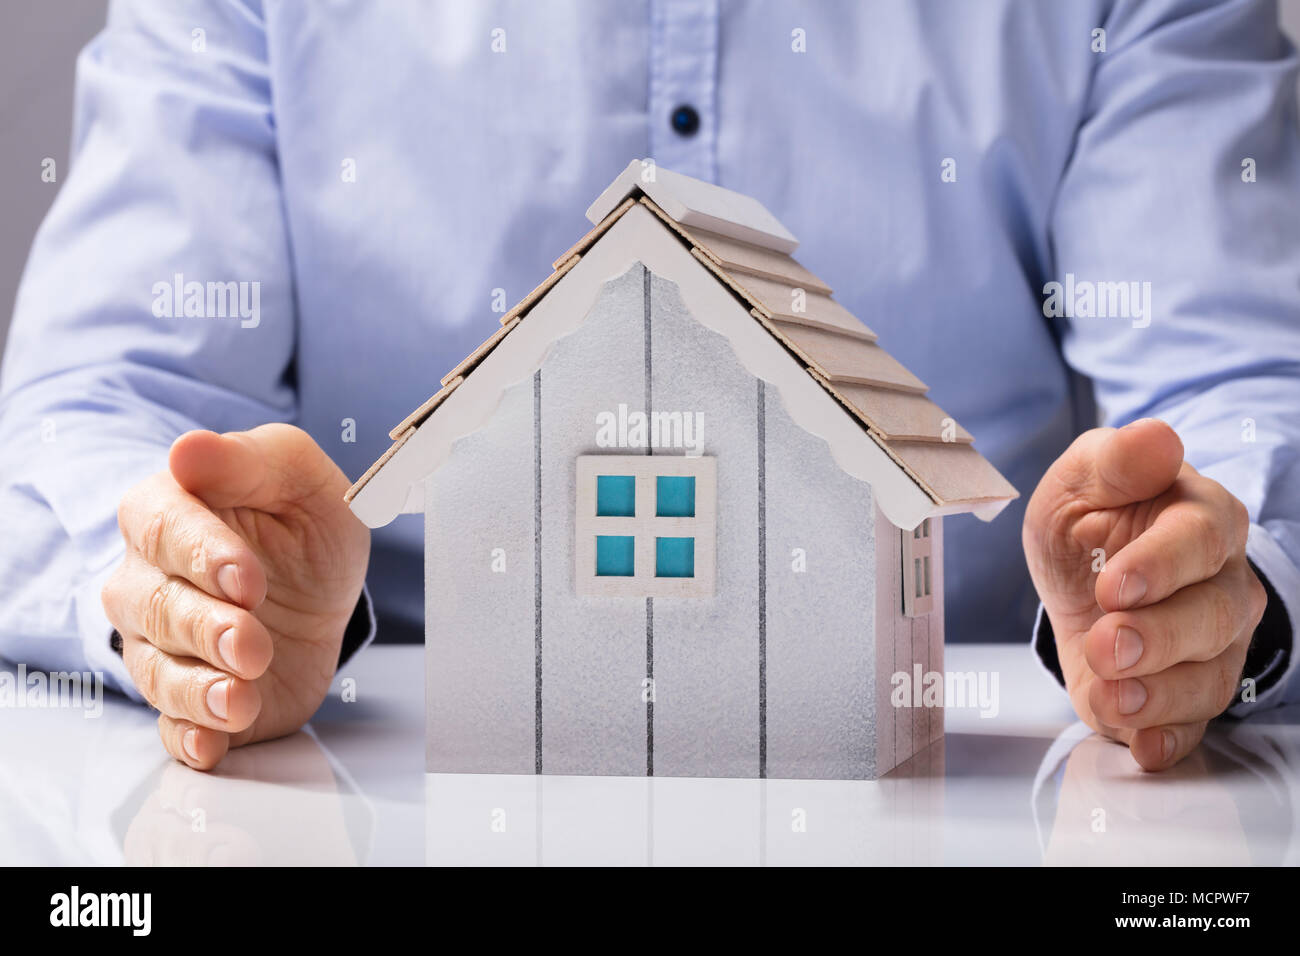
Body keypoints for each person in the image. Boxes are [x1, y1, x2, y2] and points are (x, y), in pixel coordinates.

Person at [1, 0, 1297, 773]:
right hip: (371, 755)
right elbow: (96, 401)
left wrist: (1197, 585)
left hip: (967, 776)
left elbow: (1248, 389)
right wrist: (204, 588)